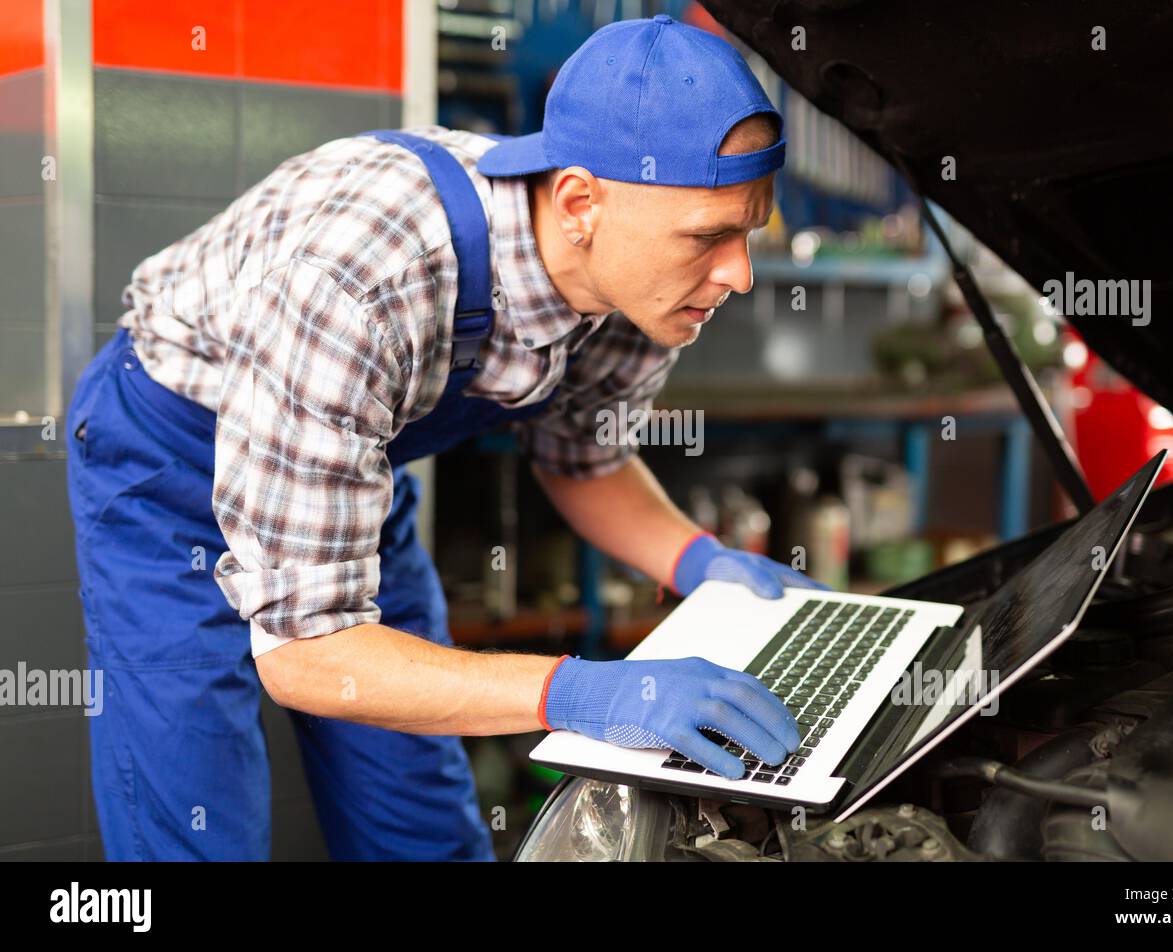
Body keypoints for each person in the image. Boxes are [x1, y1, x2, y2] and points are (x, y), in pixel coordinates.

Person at [66, 14, 820, 861]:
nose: (739, 275)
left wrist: (697, 562)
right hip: (169, 470)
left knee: (419, 819)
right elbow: (309, 653)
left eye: (748, 230)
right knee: (201, 812)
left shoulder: (642, 294)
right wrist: (580, 693)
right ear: (579, 202)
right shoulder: (365, 276)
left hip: (337, 483)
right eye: (707, 237)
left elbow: (583, 457)